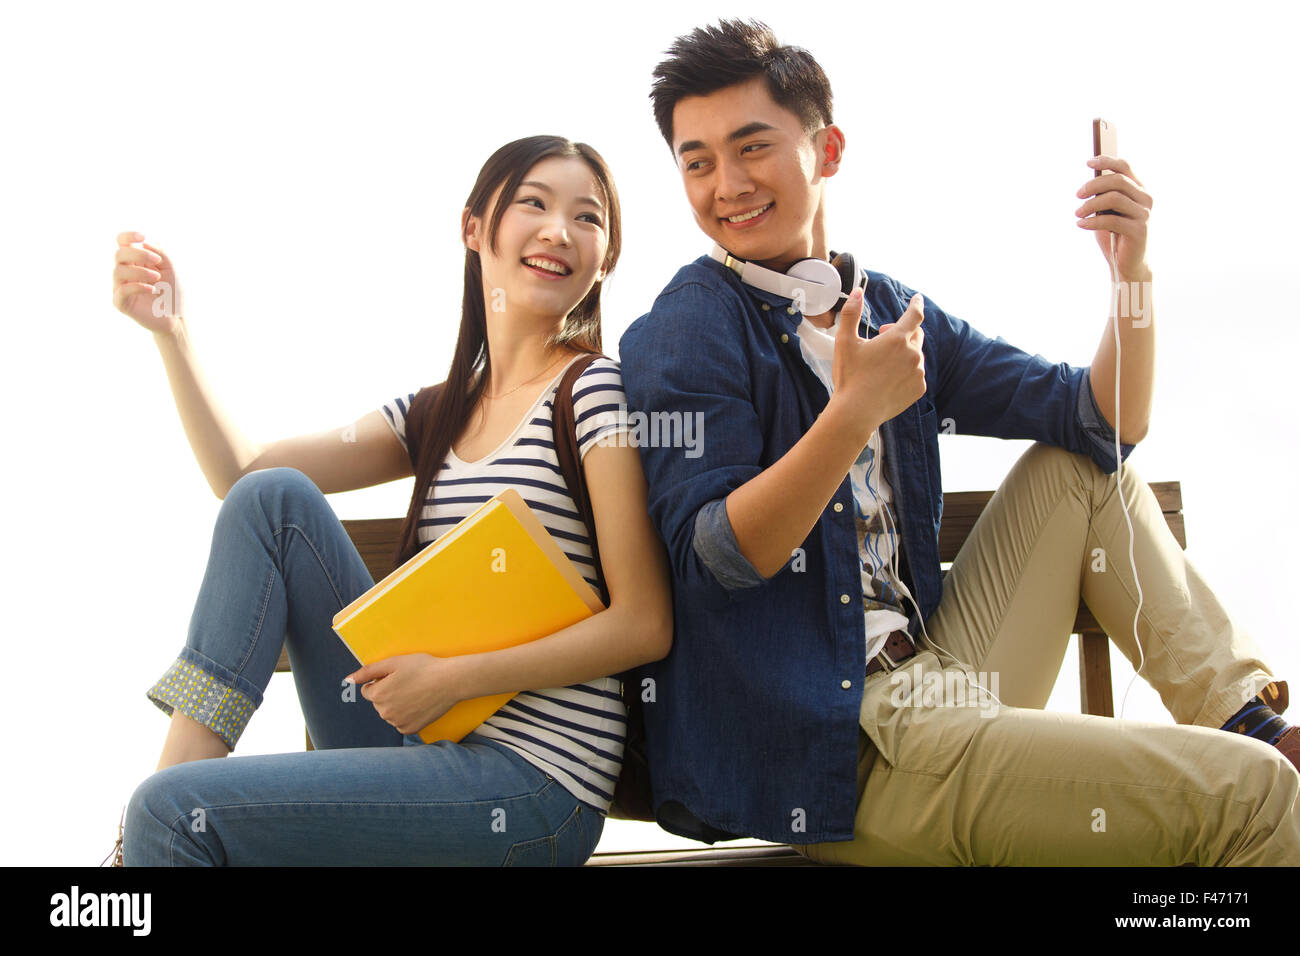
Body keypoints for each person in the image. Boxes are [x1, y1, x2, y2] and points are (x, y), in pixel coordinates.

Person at [617, 19, 1300, 865]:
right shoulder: (690, 324)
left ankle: (1254, 723)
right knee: (1259, 801)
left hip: (944, 677)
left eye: (751, 147)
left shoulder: (894, 309)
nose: (726, 184)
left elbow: (1103, 421)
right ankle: (1269, 764)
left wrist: (1132, 275)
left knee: (1080, 471)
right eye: (698, 161)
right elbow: (717, 557)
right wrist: (853, 411)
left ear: (826, 149)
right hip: (848, 746)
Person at [112, 134, 672, 866]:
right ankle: (151, 828)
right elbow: (242, 471)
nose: (558, 230)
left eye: (588, 218)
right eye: (533, 203)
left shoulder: (594, 394)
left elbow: (644, 623)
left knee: (173, 814)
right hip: (414, 746)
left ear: (606, 259)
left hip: (531, 789)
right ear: (475, 228)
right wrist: (173, 335)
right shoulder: (436, 414)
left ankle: (141, 846)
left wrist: (454, 679)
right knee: (272, 501)